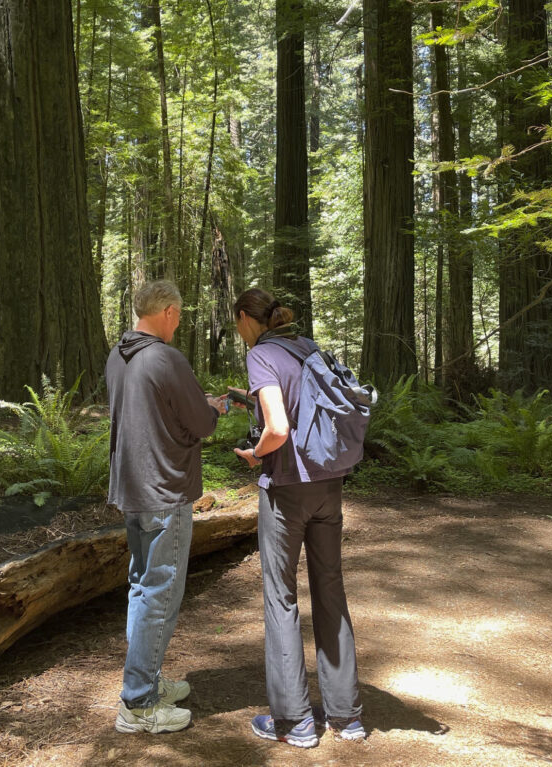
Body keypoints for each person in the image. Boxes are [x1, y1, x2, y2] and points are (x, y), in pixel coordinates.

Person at [231, 288, 365, 749]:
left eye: (237, 324)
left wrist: (254, 453)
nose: (239, 333)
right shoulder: (308, 348)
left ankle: (294, 722)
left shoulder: (261, 356)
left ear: (247, 319)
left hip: (287, 491)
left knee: (280, 598)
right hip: (330, 484)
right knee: (331, 589)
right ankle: (347, 716)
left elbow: (279, 428)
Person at [106, 280, 225, 734]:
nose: (180, 322)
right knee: (159, 595)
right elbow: (198, 422)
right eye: (180, 315)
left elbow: (148, 412)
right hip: (164, 492)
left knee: (142, 588)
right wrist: (213, 409)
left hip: (132, 488)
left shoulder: (118, 355)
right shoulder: (166, 357)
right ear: (169, 313)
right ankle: (138, 704)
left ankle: (147, 680)